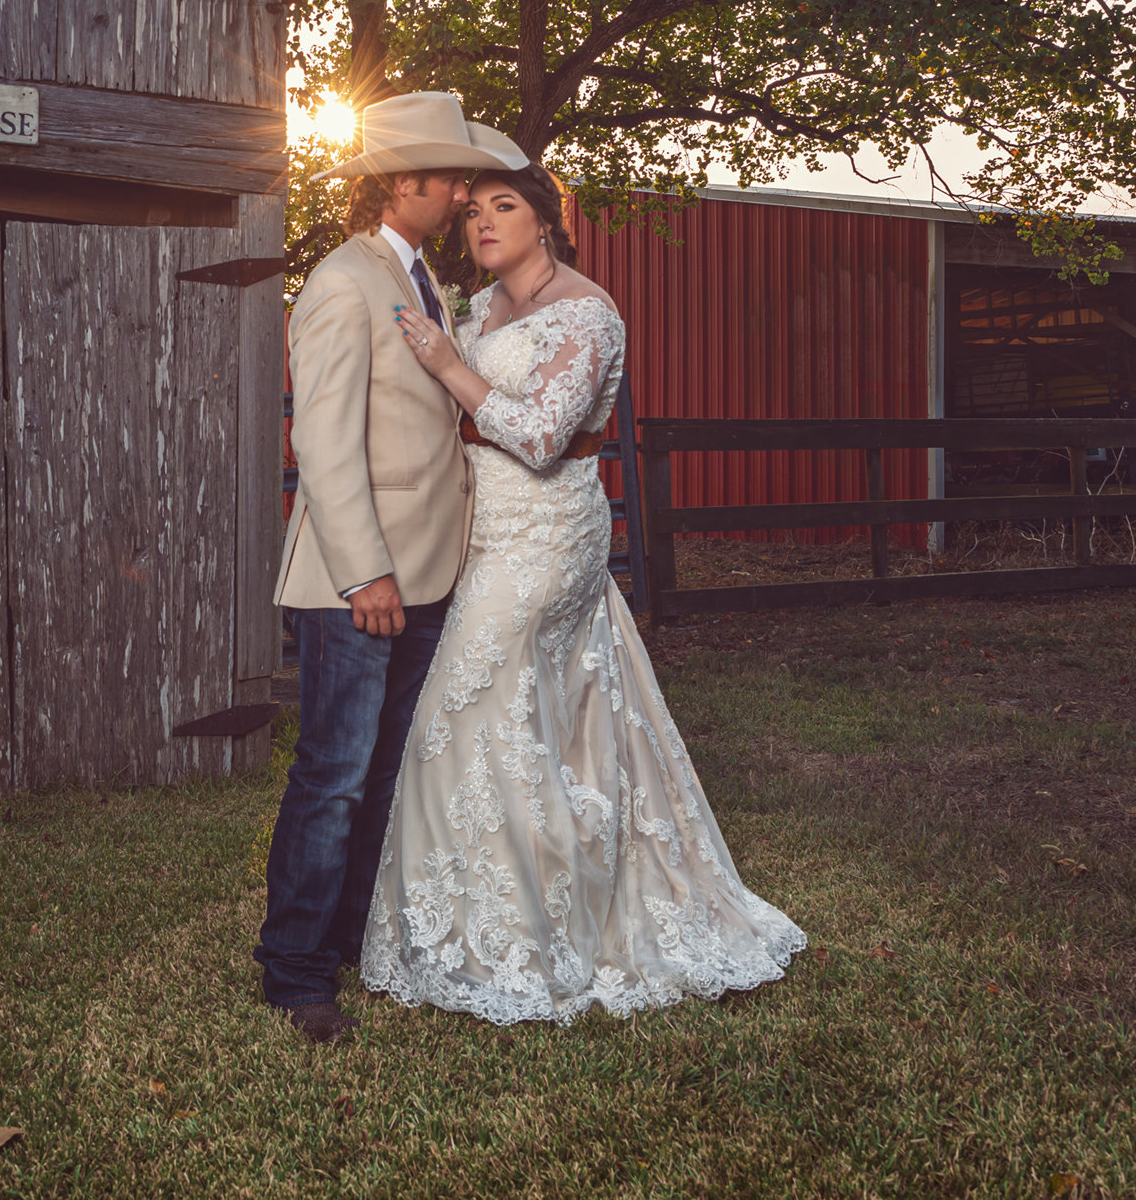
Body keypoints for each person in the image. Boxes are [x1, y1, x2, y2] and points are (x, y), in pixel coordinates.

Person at [362, 163, 810, 1024]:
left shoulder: (586, 313)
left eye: (505, 209)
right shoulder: (483, 307)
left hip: (547, 535)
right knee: (528, 717)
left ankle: (519, 940)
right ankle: (478, 918)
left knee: (465, 710)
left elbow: (536, 435)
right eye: (474, 214)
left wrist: (451, 367)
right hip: (481, 529)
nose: (483, 225)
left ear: (546, 221)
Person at [255, 90, 530, 1045]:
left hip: (424, 572)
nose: (465, 192)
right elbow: (323, 443)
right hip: (359, 582)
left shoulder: (418, 279)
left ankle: (342, 944)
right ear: (402, 182)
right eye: (453, 176)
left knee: (380, 770)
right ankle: (292, 974)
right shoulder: (342, 281)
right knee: (332, 772)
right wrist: (362, 573)